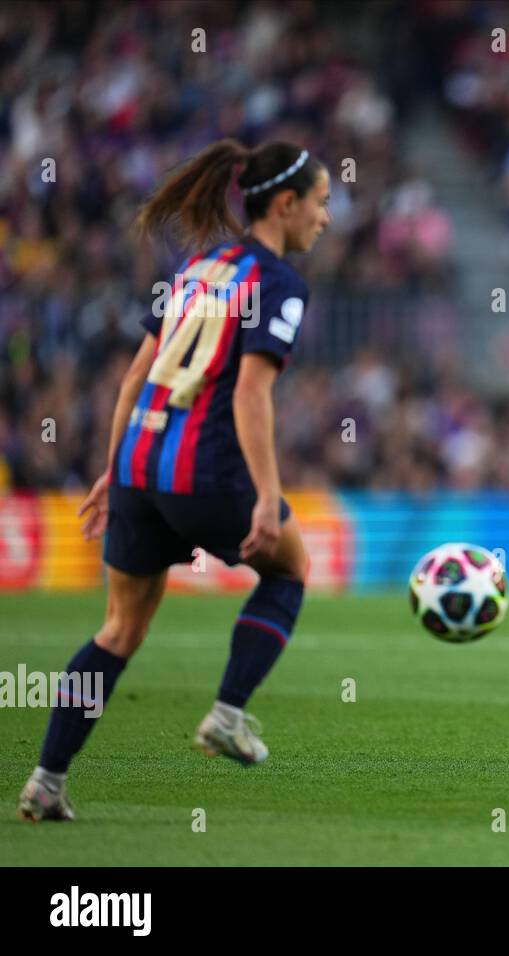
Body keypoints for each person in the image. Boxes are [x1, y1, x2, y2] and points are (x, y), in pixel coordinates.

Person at [18, 140, 331, 820]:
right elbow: (250, 395)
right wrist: (268, 499)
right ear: (286, 204)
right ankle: (227, 712)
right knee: (289, 569)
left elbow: (136, 376)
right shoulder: (278, 283)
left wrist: (111, 467)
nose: (325, 218)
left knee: (118, 631)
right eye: (321, 202)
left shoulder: (200, 265)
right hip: (208, 469)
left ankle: (46, 780)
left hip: (138, 465)